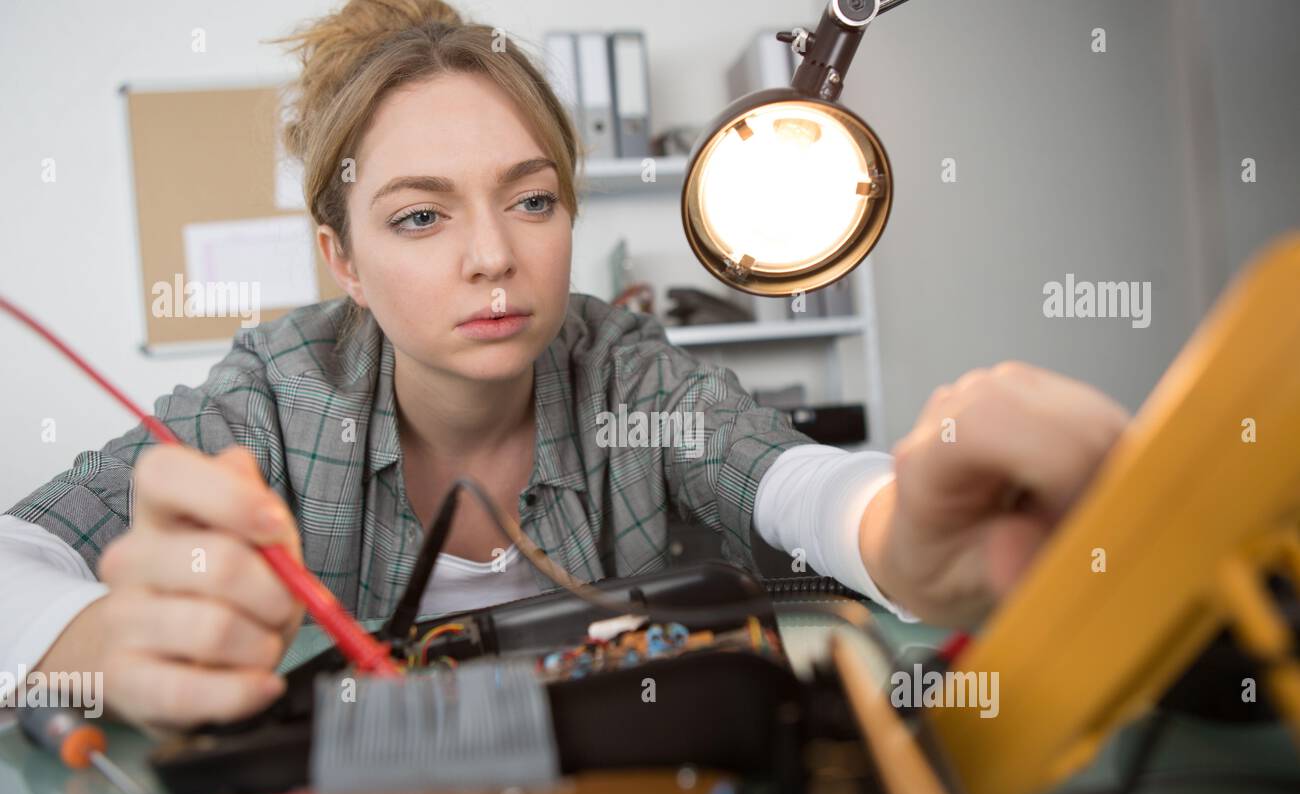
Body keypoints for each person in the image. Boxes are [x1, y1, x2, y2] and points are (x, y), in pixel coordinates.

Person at [0, 0, 1129, 730]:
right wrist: (89, 639)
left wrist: (899, 528)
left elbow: (780, 474)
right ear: (342, 258)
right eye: (419, 218)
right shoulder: (271, 389)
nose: (494, 256)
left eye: (531, 199)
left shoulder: (624, 366)